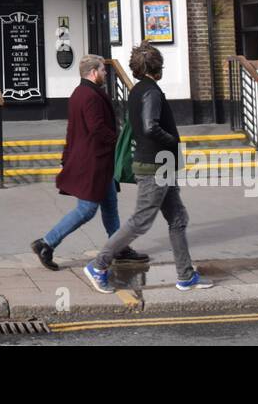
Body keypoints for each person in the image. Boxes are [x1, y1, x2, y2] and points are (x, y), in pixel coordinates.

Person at [83, 42, 211, 293]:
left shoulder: (137, 90)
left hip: (160, 164)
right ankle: (98, 265)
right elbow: (150, 126)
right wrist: (172, 140)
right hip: (155, 165)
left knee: (178, 217)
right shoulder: (151, 92)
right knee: (140, 221)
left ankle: (186, 276)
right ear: (157, 67)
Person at [31, 54, 147, 271]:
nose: (105, 73)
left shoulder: (80, 93)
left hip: (100, 163)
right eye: (103, 70)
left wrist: (66, 157)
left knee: (110, 207)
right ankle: (46, 243)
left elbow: (72, 130)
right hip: (93, 162)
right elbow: (97, 129)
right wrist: (121, 142)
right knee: (86, 209)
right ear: (93, 72)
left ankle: (119, 248)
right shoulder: (90, 96)